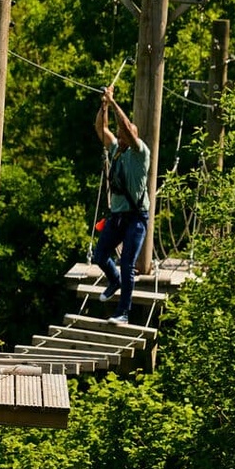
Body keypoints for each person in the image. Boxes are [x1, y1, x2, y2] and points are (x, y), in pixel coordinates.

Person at [91, 86, 150, 325]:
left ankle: (123, 312)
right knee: (100, 255)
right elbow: (100, 128)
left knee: (127, 262)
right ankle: (114, 280)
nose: (119, 133)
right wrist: (104, 106)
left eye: (124, 132)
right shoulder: (116, 149)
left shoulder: (140, 152)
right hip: (117, 216)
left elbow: (125, 126)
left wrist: (114, 103)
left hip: (136, 217)